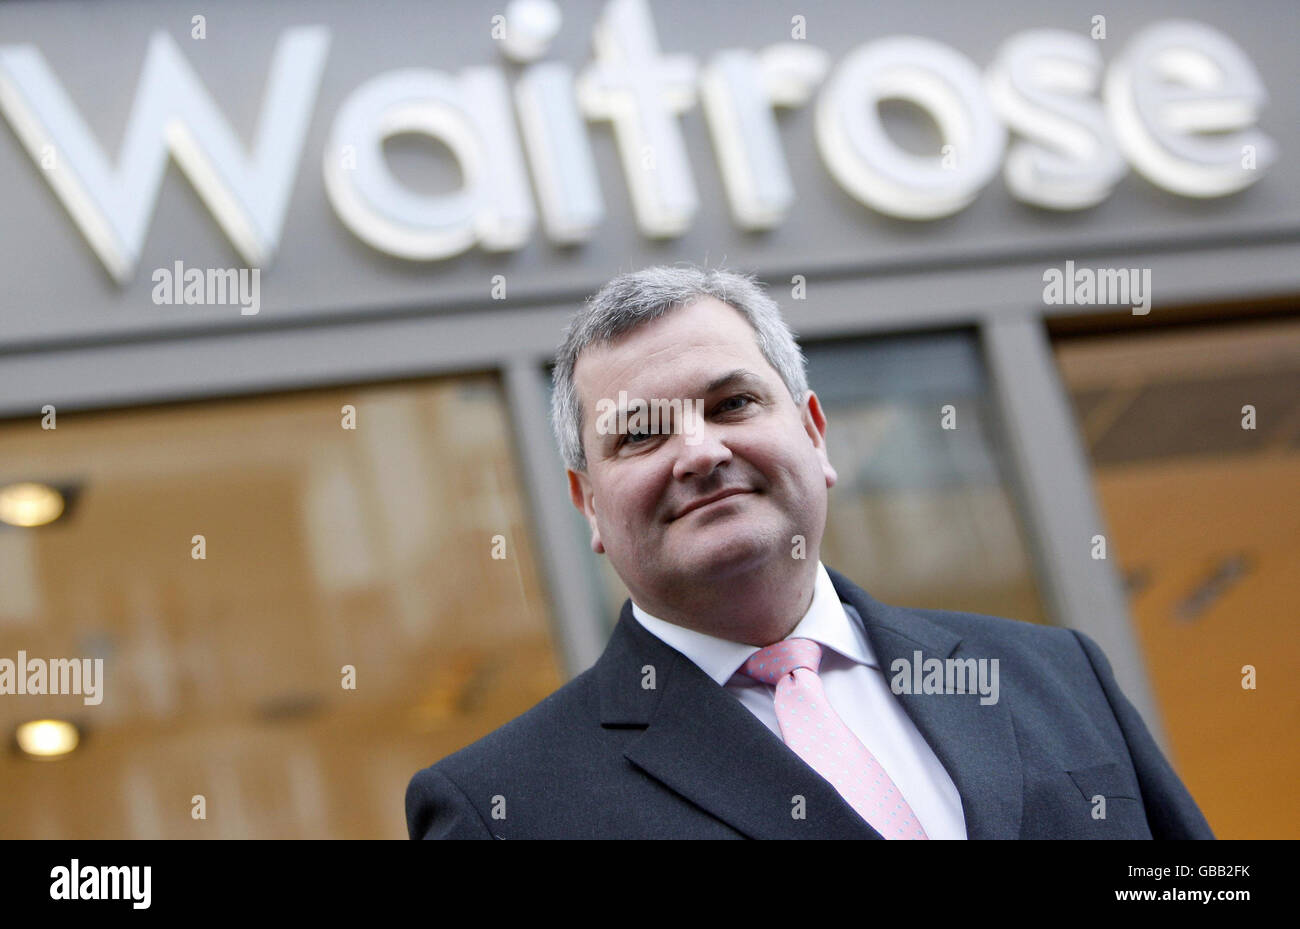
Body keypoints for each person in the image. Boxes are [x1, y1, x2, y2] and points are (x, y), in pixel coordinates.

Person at [405, 265, 1214, 840]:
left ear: (815, 432)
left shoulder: (1056, 673)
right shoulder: (502, 806)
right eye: (640, 433)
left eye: (733, 402)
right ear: (589, 505)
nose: (698, 452)